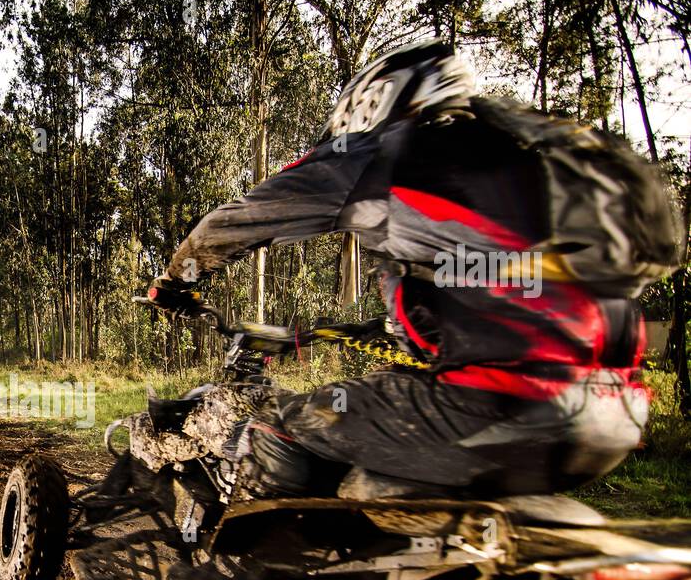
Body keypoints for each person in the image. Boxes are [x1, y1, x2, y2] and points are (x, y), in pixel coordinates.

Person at [146, 40, 684, 499]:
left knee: (284, 423)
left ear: (379, 100)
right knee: (374, 453)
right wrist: (318, 333)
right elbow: (481, 297)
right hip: (611, 418)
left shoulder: (383, 155)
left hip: (498, 404)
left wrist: (176, 282)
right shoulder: (523, 172)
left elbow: (236, 222)